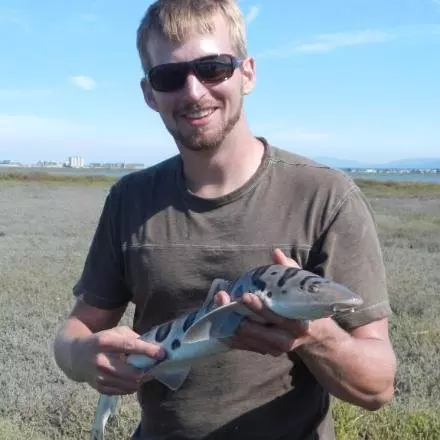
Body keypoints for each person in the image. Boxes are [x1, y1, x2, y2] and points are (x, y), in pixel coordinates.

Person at [53, 0, 397, 439]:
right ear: (149, 93)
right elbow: (75, 332)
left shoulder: (326, 197)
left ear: (247, 73)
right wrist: (82, 357)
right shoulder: (129, 199)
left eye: (213, 67)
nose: (194, 91)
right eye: (170, 77)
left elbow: (378, 386)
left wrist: (311, 334)